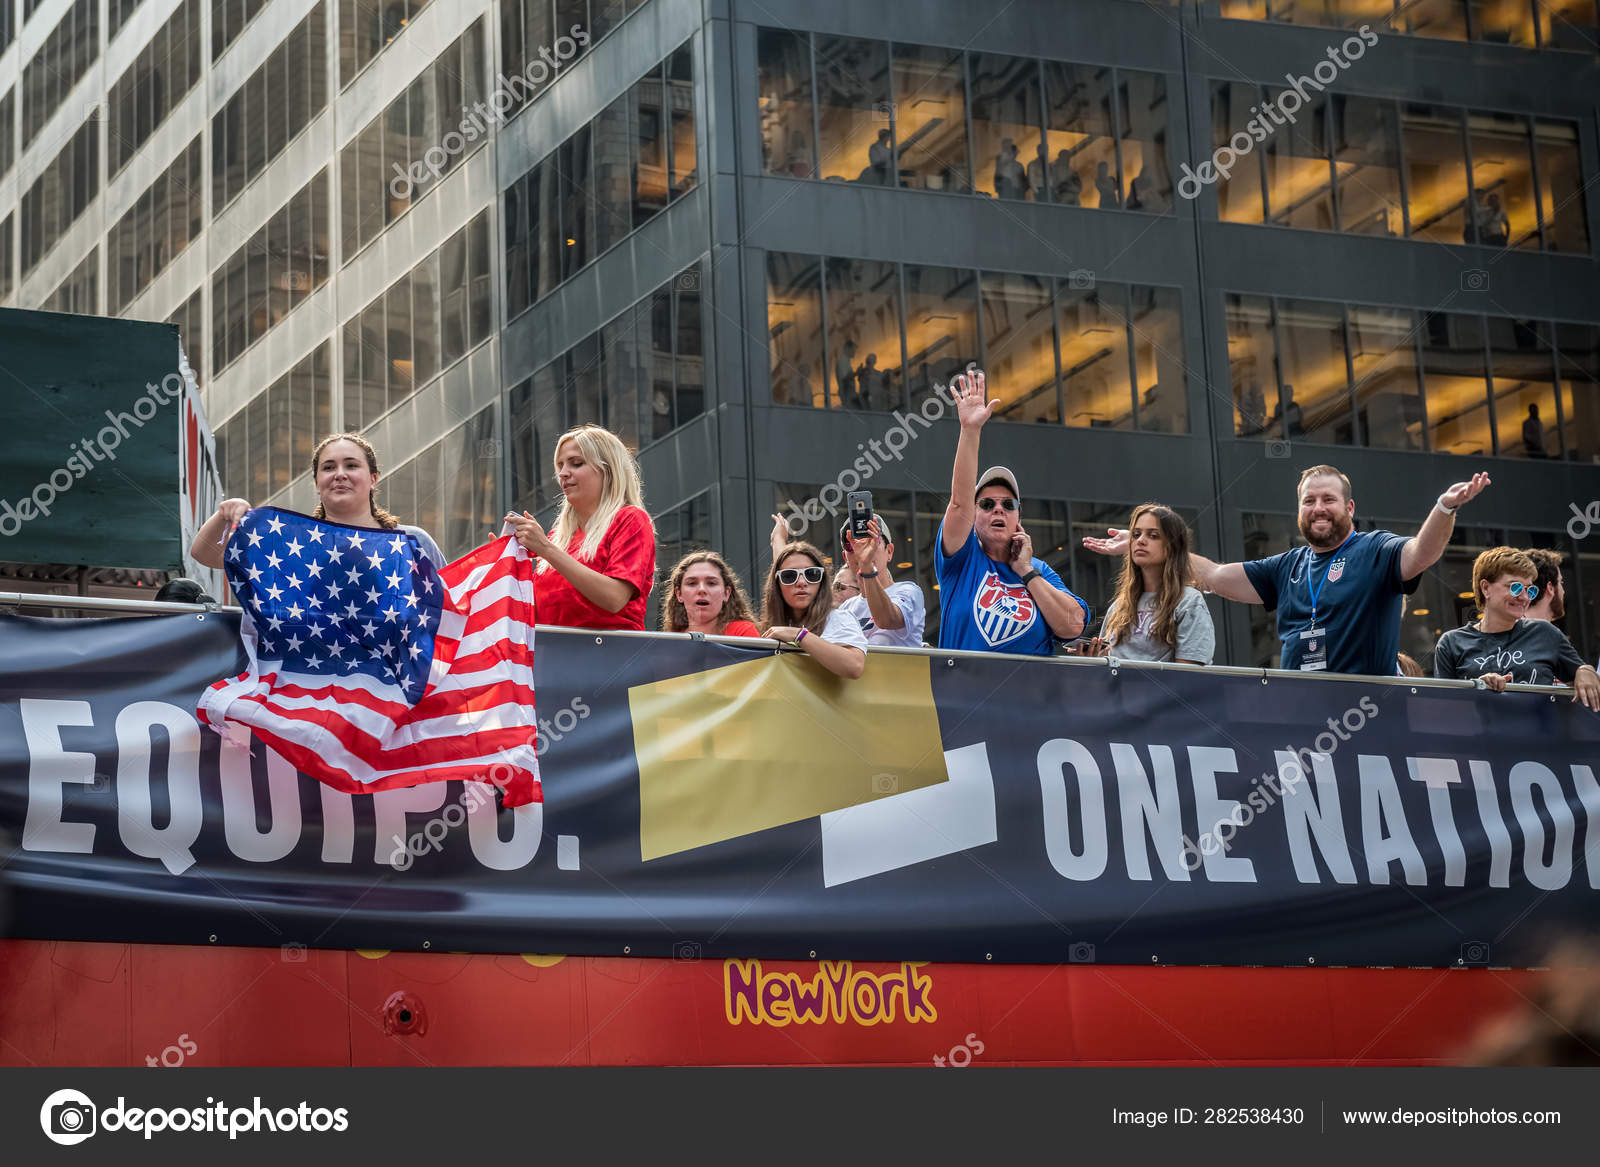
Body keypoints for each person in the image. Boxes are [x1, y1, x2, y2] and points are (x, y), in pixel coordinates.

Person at [1084, 463, 1492, 676]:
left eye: (1328, 500)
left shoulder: (1374, 549)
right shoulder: (1288, 565)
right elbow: (1213, 576)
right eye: (1309, 500)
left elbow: (1422, 553)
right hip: (1298, 708)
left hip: (1365, 710)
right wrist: (1155, 550)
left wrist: (1444, 508)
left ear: (1349, 508)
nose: (1318, 508)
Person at [938, 369, 1090, 655]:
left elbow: (1073, 626)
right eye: (986, 504)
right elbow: (958, 503)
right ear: (974, 516)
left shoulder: (1040, 570)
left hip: (1027, 700)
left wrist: (1026, 572)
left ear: (1018, 518)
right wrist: (970, 431)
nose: (998, 509)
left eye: (1008, 505)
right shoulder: (963, 560)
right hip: (962, 698)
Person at [190, 432, 444, 571]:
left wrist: (485, 572)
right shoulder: (293, 543)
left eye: (352, 465)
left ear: (373, 479)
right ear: (317, 483)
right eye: (329, 467)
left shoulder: (414, 542)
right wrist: (225, 513)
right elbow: (203, 554)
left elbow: (454, 606)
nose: (340, 474)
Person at [506, 424, 656, 631]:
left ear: (608, 470)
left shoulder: (631, 520)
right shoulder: (558, 538)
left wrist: (546, 549)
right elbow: (531, 615)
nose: (563, 474)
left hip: (610, 656)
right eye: (560, 466)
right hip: (553, 657)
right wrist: (505, 568)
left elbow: (614, 598)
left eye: (576, 463)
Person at [1433, 547, 1599, 709]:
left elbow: (1581, 672)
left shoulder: (1544, 632)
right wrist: (1476, 690)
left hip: (1538, 736)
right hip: (1479, 736)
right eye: (1515, 587)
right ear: (1485, 588)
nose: (1525, 597)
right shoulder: (1451, 643)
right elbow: (1444, 709)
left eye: (1529, 590)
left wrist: (1585, 671)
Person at [1086, 504, 1214, 665]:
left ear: (1172, 546)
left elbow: (1187, 676)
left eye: (1153, 535)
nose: (1140, 541)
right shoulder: (1119, 605)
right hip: (1118, 690)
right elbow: (1107, 668)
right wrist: (1093, 660)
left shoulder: (1189, 600)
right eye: (1136, 534)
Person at [761, 541, 867, 678]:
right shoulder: (771, 625)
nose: (801, 582)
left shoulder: (839, 618)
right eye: (789, 576)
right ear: (777, 584)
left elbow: (855, 666)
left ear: (821, 581)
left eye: (811, 574)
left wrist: (800, 635)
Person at [838, 517, 926, 647]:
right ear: (846, 557)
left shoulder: (909, 591)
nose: (861, 550)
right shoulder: (845, 608)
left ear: (889, 551)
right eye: (851, 545)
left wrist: (866, 567)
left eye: (871, 541)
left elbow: (887, 620)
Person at [660, 551, 760, 637]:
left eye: (711, 583)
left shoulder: (742, 632)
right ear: (679, 594)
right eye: (692, 583)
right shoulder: (672, 640)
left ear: (726, 593)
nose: (701, 589)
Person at [1523, 547, 1565, 623]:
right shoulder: (1548, 633)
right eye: (1561, 582)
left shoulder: (1508, 628)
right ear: (1550, 588)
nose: (1563, 592)